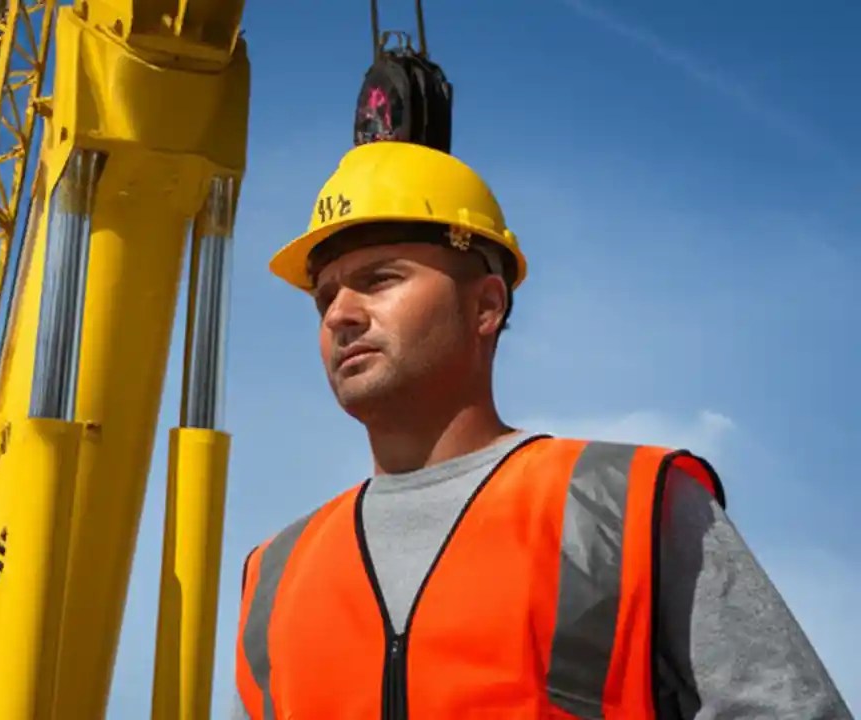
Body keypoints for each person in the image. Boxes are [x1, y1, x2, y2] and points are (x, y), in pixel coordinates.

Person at [230, 140, 851, 718]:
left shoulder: (624, 505)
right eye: (325, 297)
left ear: (486, 306)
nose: (339, 313)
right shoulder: (276, 573)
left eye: (379, 279)